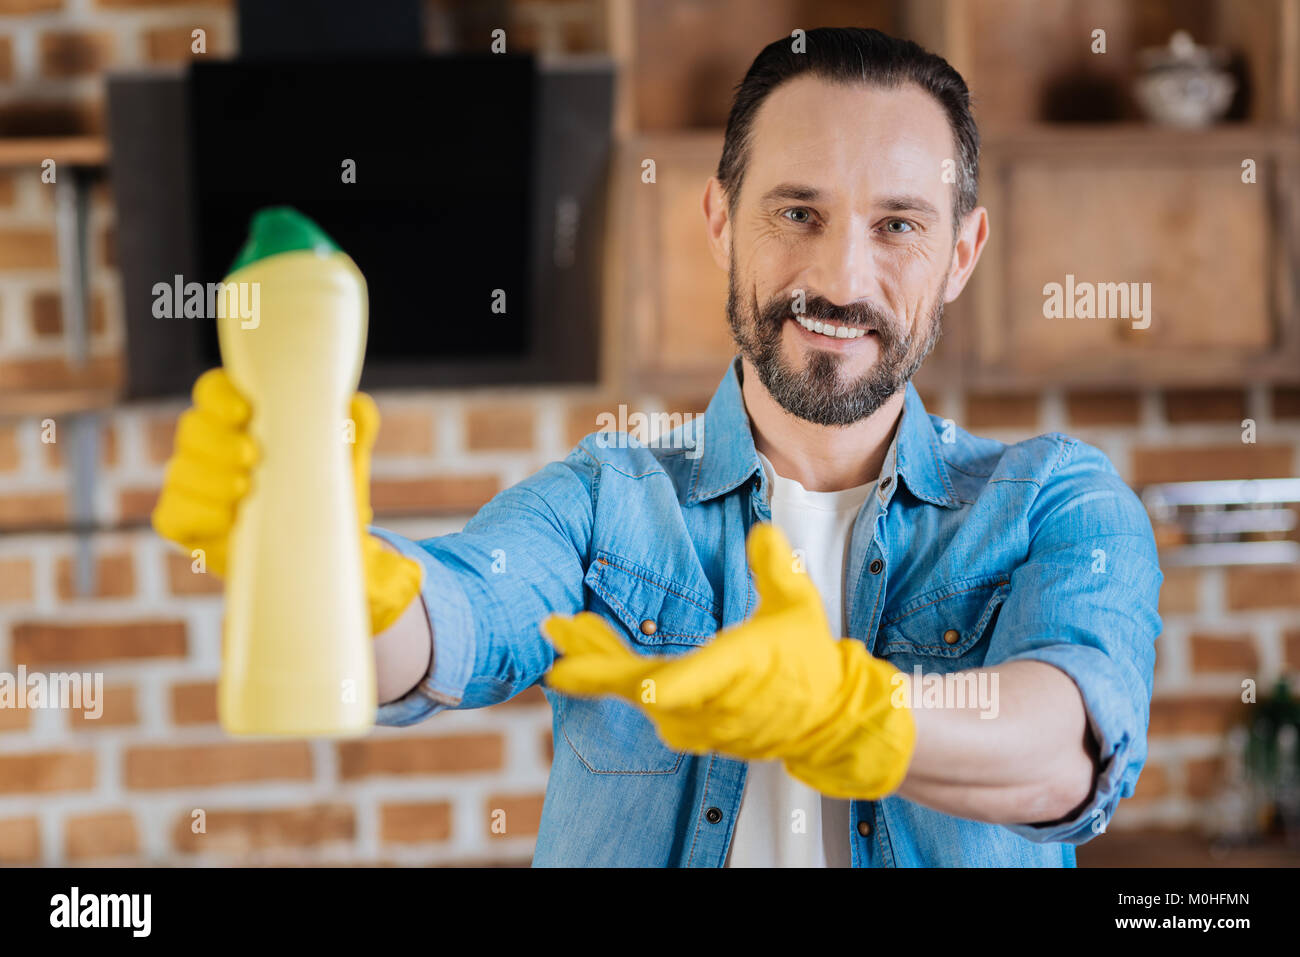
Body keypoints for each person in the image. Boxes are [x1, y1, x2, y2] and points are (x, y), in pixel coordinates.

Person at [152, 27, 1163, 867]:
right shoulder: (608, 501)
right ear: (721, 220)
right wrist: (313, 559)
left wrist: (852, 715)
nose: (840, 277)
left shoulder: (1051, 501)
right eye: (796, 211)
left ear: (962, 252)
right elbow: (445, 622)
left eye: (897, 224)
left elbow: (1066, 750)